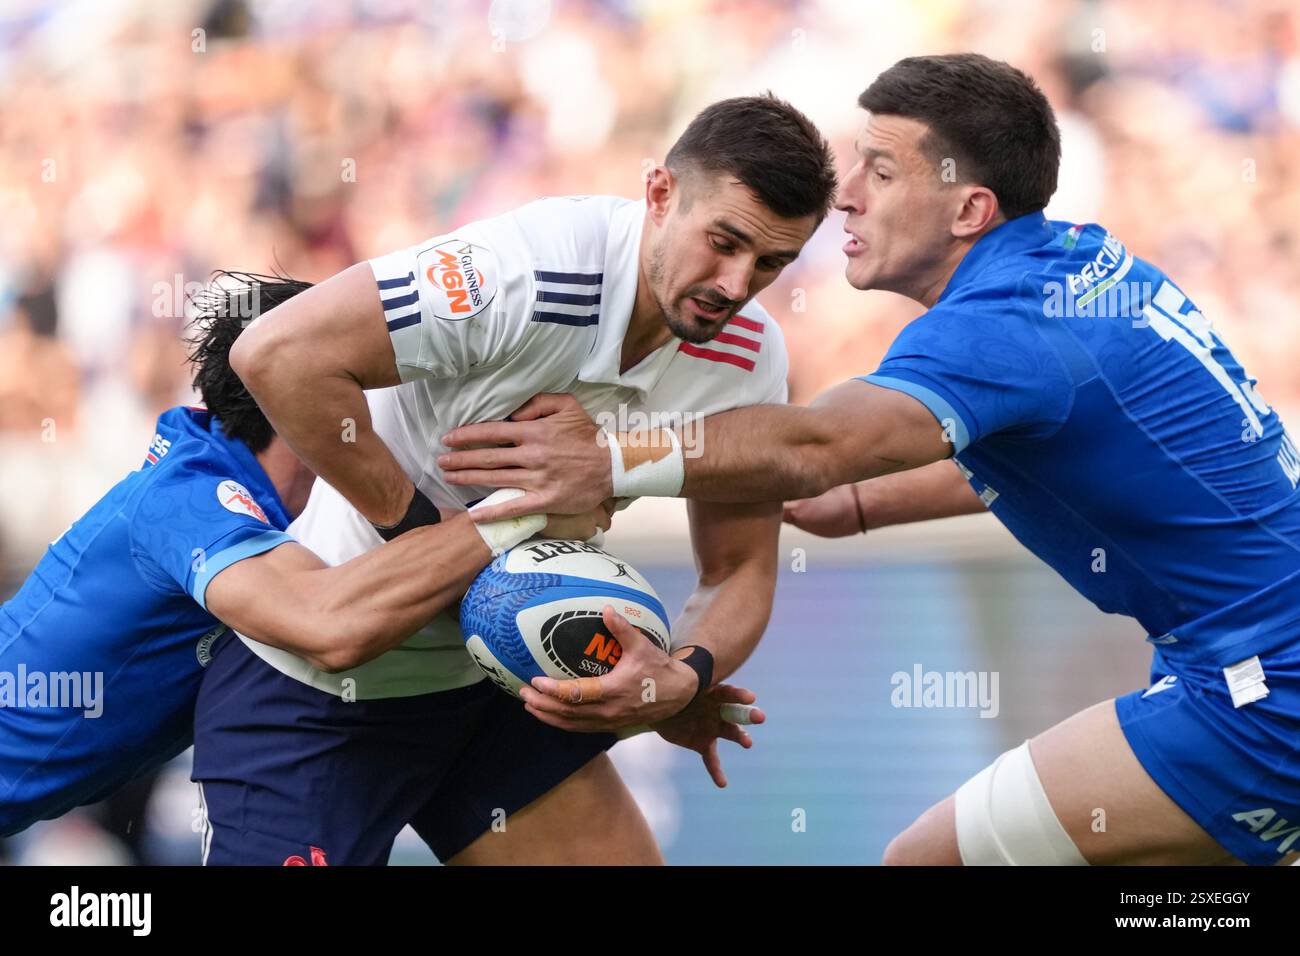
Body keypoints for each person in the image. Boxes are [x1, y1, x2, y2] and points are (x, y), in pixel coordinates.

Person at [439, 54, 1300, 866]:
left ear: (969, 208)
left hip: (1264, 686)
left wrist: (609, 457)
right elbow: (1053, 452)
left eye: (881, 172)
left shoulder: (1000, 324)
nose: (845, 197)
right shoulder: (1074, 265)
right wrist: (857, 506)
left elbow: (818, 444)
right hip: (1245, 660)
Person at [198, 93, 834, 865]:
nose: (735, 286)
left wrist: (684, 675)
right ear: (661, 193)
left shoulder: (748, 360)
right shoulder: (529, 269)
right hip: (315, 690)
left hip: (500, 690)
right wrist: (421, 537)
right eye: (724, 242)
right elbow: (276, 353)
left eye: (771, 263)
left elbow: (739, 569)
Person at [0, 273, 608, 839]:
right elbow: (329, 625)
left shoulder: (286, 509)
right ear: (295, 391)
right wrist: (530, 508)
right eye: (363, 376)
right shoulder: (188, 499)